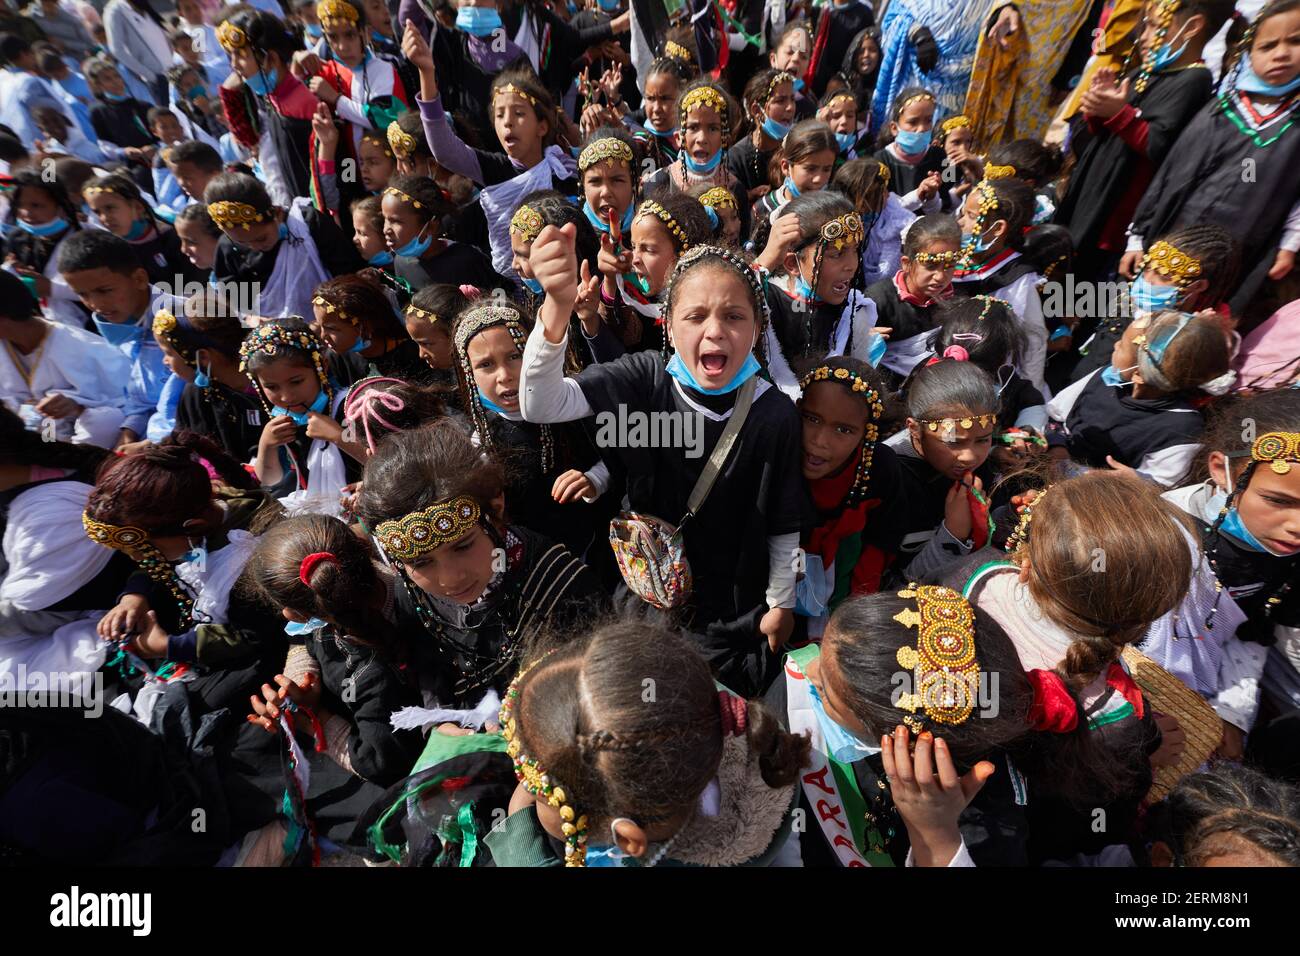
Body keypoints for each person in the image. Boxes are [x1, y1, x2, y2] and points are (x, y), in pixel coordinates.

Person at [520, 226, 812, 696]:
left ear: (756, 328)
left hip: (728, 612)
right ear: (669, 326)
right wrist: (555, 307)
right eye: (695, 316)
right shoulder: (646, 378)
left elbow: (784, 519)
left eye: (734, 316)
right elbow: (541, 404)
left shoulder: (773, 414)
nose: (715, 330)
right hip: (645, 592)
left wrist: (782, 602)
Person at [484, 620, 809, 867]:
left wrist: (520, 834)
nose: (524, 789)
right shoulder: (687, 708)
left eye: (540, 792)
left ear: (627, 838)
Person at [353, 419, 609, 708]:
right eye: (422, 563)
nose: (450, 579)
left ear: (496, 510)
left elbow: (596, 687)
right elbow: (430, 670)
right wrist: (442, 719)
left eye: (463, 546)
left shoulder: (560, 584)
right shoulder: (411, 593)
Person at [1145, 389, 1300, 749]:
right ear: (1222, 470)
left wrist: (1232, 714)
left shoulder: (1286, 553)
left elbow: (1250, 629)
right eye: (1278, 501)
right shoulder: (1161, 531)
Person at [1124, 0, 1300, 315]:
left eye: (1296, 41)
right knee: (1139, 314)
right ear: (1247, 53)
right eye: (1268, 45)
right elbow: (1171, 173)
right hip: (1175, 235)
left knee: (1194, 331)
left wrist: (1289, 244)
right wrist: (1138, 237)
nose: (1281, 53)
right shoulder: (1220, 111)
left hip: (1245, 244)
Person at [1054, 1, 1232, 283]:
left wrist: (1117, 113)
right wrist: (1098, 109)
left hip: (1114, 212)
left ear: (1193, 27)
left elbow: (1158, 144)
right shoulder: (1143, 73)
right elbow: (1106, 134)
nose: (1144, 35)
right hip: (1092, 193)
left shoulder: (1194, 80)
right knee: (1062, 270)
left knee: (1082, 287)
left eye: (1153, 25)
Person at [1047, 309, 1231, 485]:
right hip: (1049, 467)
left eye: (1123, 346)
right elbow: (1055, 415)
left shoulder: (1181, 429)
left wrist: (1138, 482)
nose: (1115, 345)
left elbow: (1163, 485)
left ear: (1139, 373)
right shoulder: (1103, 378)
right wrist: (1057, 448)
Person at [58, 229, 186, 452]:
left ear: (139, 279)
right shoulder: (124, 325)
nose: (95, 304)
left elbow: (185, 405)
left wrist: (149, 445)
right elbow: (140, 400)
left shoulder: (182, 322)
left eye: (104, 291)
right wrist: (129, 434)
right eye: (83, 295)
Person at [754, 192, 882, 400]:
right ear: (792, 264)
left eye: (855, 250)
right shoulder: (767, 301)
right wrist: (764, 262)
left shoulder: (854, 307)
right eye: (836, 254)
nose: (851, 265)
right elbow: (722, 301)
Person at [205, 171, 365, 321]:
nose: (253, 247)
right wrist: (250, 318)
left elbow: (349, 275)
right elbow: (233, 302)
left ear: (277, 214)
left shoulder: (308, 225)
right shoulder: (228, 248)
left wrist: (326, 318)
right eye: (242, 242)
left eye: (260, 238)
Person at [0, 269, 129, 448]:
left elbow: (126, 403)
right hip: (37, 438)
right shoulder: (4, 346)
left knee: (104, 421)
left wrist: (76, 406)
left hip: (81, 442)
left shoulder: (83, 347)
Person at [952, 176, 1049, 389]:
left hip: (987, 380)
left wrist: (1027, 394)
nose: (960, 222)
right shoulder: (954, 259)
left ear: (997, 229)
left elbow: (1033, 343)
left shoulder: (1017, 278)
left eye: (970, 216)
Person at [867, 212, 960, 379]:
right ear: (907, 264)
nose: (940, 276)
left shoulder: (955, 299)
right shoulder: (878, 299)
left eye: (949, 265)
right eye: (931, 265)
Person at [84, 174, 205, 286]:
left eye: (110, 208)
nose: (104, 218)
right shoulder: (113, 252)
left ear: (137, 207)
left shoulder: (176, 239)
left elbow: (198, 285)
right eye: (97, 212)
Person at [873, 87, 945, 215]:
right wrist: (918, 195)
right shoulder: (880, 161)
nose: (922, 128)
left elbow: (947, 205)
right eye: (913, 122)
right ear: (894, 128)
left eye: (928, 120)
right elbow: (882, 209)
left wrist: (932, 196)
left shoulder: (941, 157)